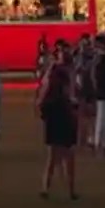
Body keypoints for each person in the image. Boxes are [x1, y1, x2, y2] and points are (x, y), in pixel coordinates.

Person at [37, 65, 78, 199]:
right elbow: (72, 109)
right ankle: (71, 190)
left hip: (52, 127)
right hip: (66, 126)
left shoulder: (49, 94)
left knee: (52, 160)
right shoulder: (65, 95)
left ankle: (45, 188)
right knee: (69, 160)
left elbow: (42, 110)